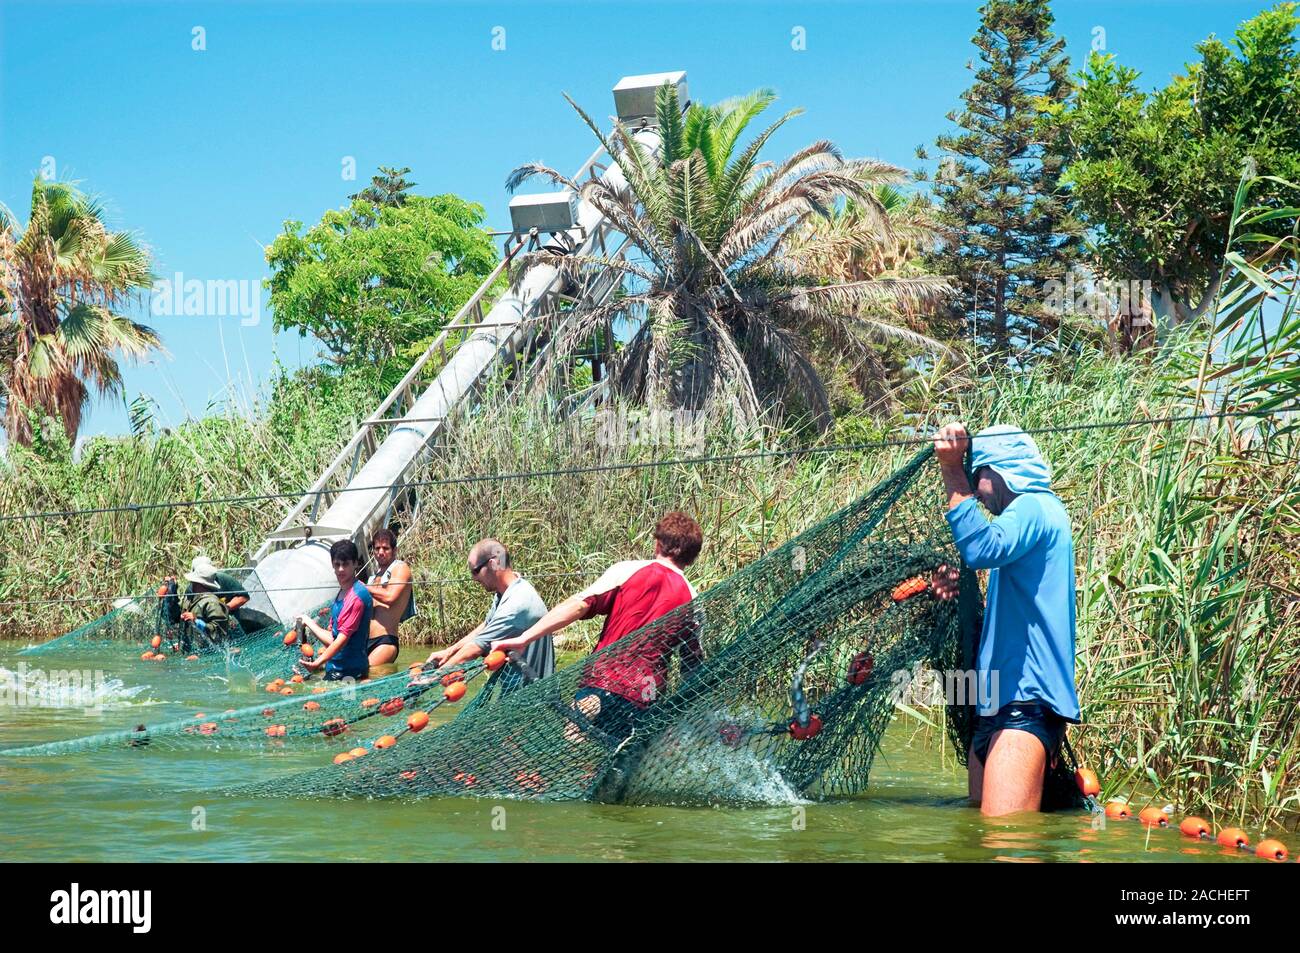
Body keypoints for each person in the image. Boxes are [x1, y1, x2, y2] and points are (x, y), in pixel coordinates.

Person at [932, 422, 1080, 816]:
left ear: (997, 470)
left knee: (1005, 842)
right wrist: (956, 590)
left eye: (977, 477)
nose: (978, 495)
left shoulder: (1034, 505)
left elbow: (979, 548)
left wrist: (951, 468)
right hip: (993, 706)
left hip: (1025, 706)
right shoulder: (1022, 522)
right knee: (980, 841)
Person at [491, 512, 704, 742]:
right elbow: (692, 667)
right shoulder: (694, 600)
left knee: (570, 750)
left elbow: (578, 606)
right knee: (621, 764)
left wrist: (525, 638)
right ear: (692, 558)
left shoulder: (628, 571)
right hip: (645, 699)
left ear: (657, 544)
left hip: (601, 685)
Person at [424, 539, 550, 692]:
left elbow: (475, 648)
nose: (473, 578)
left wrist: (431, 679)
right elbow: (486, 628)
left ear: (493, 564)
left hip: (533, 698)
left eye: (475, 571)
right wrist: (449, 651)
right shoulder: (510, 589)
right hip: (516, 693)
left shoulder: (516, 605)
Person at [297, 539, 374, 682]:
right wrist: (308, 621)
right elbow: (333, 638)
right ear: (332, 564)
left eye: (345, 564)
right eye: (337, 564)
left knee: (349, 704)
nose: (340, 569)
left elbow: (341, 641)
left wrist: (317, 663)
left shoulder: (357, 596)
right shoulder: (341, 593)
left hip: (351, 673)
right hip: (335, 670)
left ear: (356, 563)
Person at [364, 528, 414, 667]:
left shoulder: (400, 568)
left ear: (395, 550)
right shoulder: (372, 579)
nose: (381, 552)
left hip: (385, 642)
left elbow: (390, 597)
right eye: (377, 548)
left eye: (385, 548)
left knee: (365, 677)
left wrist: (363, 588)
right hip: (364, 641)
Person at [178, 564, 234, 647]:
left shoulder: (212, 603)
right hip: (191, 649)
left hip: (208, 652)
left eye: (193, 582)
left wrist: (197, 621)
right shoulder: (191, 598)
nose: (191, 584)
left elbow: (220, 632)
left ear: (199, 584)